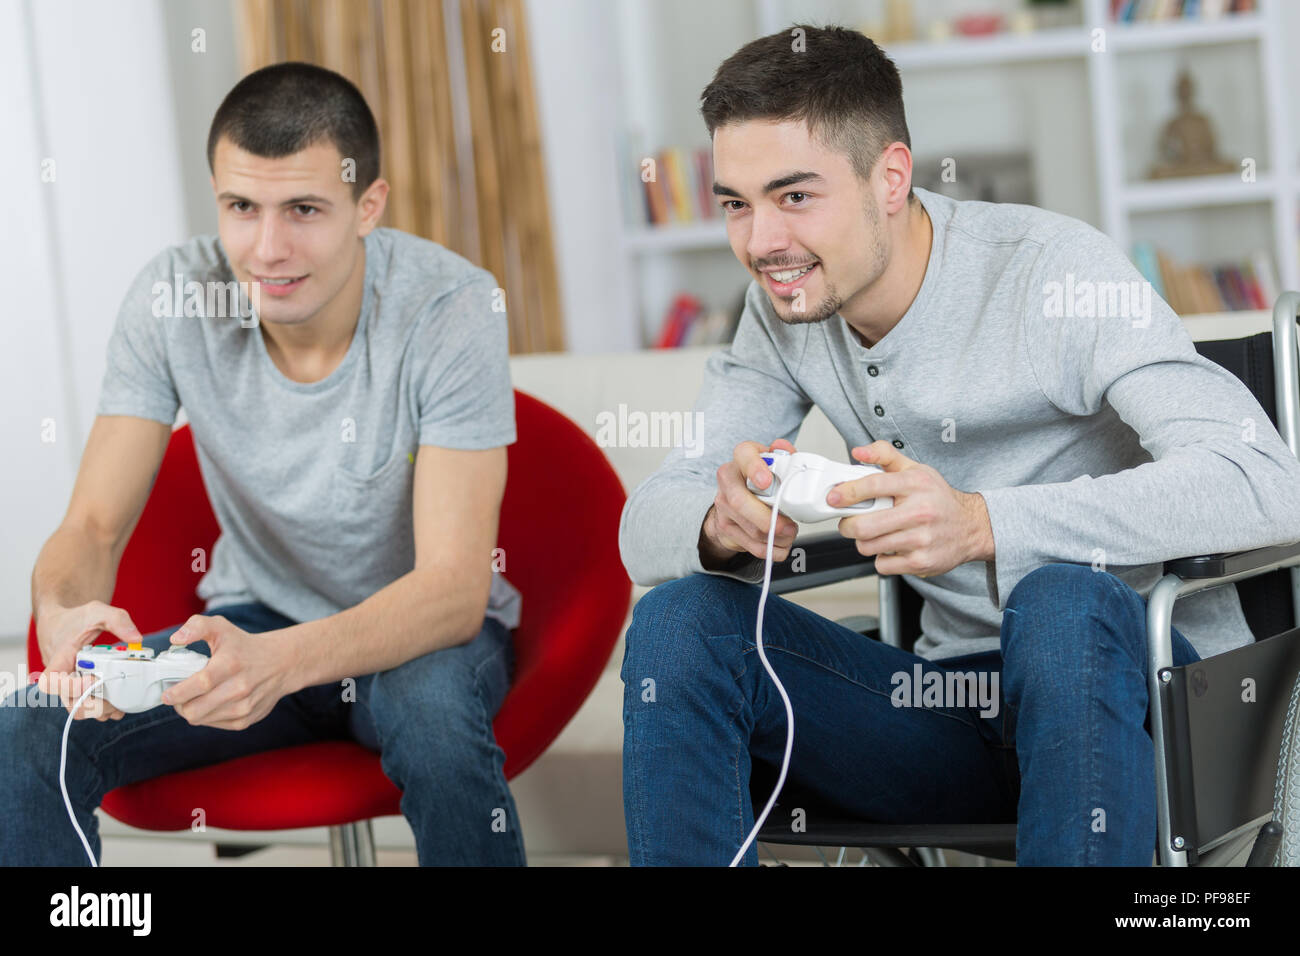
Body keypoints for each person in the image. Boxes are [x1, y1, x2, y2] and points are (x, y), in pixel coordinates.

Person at [618, 24, 1300, 866]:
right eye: (736, 203)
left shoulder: (1053, 272)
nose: (761, 243)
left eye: (795, 197)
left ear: (892, 177)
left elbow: (1265, 479)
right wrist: (718, 523)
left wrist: (983, 524)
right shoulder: (783, 311)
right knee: (680, 621)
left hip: (1143, 702)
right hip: (947, 709)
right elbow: (644, 524)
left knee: (1061, 601)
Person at [0, 62, 525, 866]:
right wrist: (63, 615)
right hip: (256, 620)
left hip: (417, 636)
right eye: (241, 208)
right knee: (27, 722)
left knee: (433, 717)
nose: (267, 250)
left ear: (367, 206)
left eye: (304, 210)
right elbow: (93, 526)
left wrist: (282, 665)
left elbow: (454, 591)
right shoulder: (174, 297)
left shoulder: (450, 307)